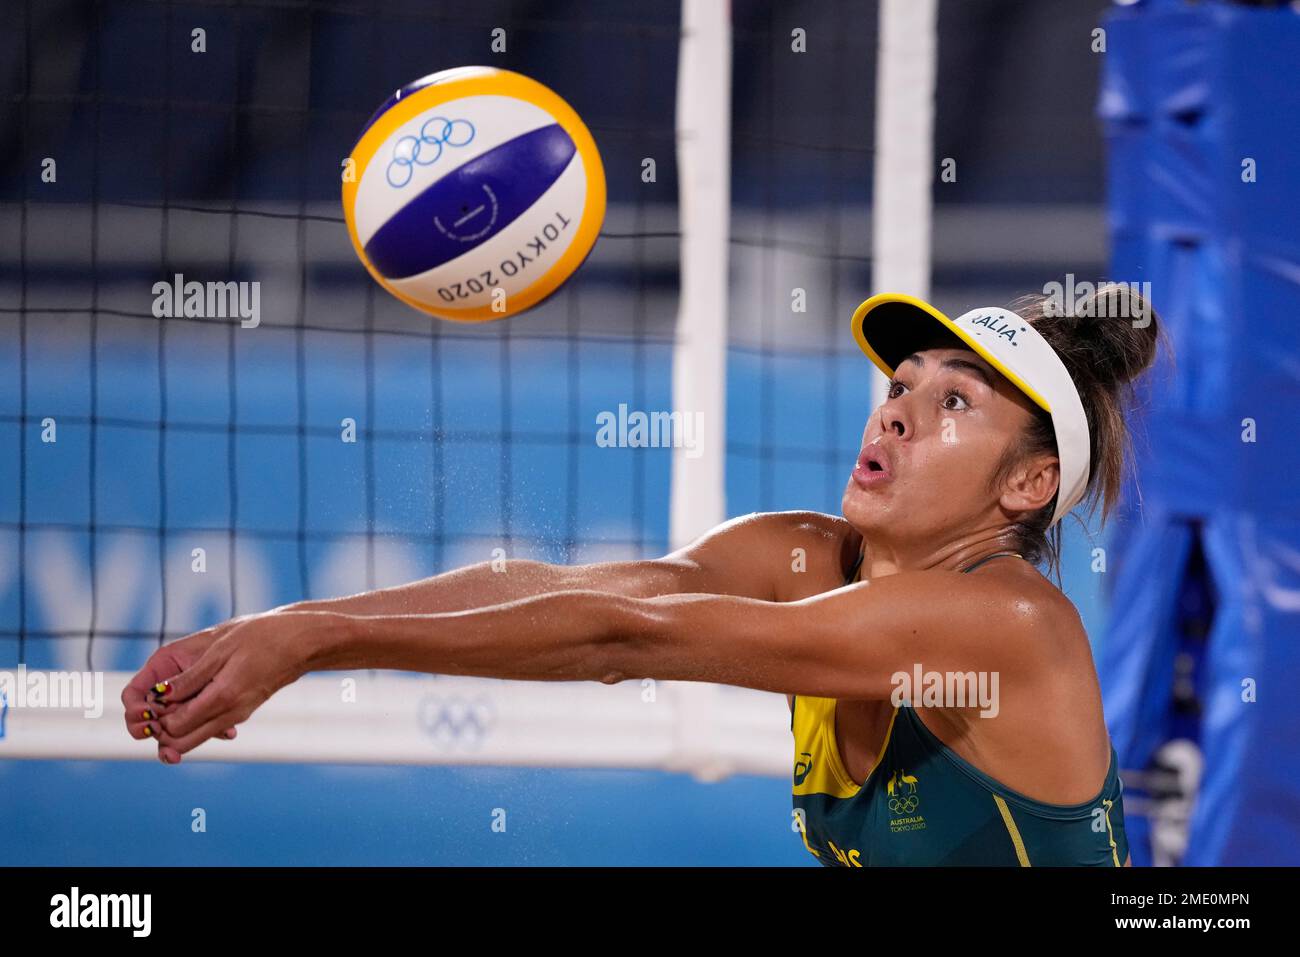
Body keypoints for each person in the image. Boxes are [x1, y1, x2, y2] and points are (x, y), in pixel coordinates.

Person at [123, 285, 1159, 866]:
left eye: (954, 405)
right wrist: (295, 617)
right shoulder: (799, 557)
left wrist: (321, 645)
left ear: (1027, 484)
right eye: (898, 384)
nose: (893, 412)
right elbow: (598, 592)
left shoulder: (1006, 623)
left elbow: (627, 641)